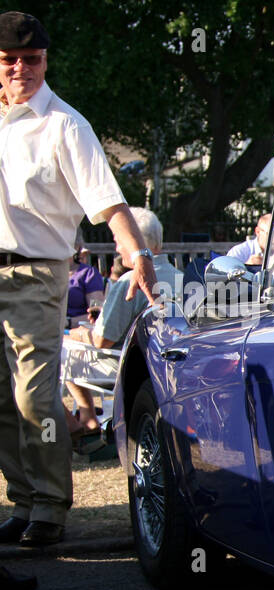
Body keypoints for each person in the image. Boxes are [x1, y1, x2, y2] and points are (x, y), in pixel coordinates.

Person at [0, 11, 159, 549]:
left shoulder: (66, 124)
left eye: (32, 60)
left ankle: (48, 504)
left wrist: (137, 253)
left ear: (47, 60)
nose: (21, 70)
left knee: (32, 396)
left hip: (34, 272)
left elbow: (107, 202)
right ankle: (22, 501)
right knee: (0, 397)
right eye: (9, 61)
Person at [63, 206, 181, 443]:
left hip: (127, 366)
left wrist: (76, 334)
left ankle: (84, 420)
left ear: (134, 241)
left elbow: (102, 340)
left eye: (118, 240)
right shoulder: (182, 276)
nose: (117, 248)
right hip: (171, 362)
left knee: (61, 349)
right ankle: (87, 419)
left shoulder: (131, 282)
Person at [65, 230, 104, 327]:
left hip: (73, 332)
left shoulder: (89, 274)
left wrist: (67, 322)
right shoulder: (45, 272)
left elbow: (97, 314)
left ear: (76, 247)